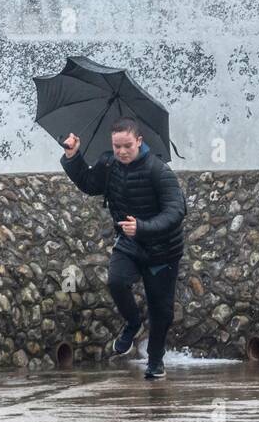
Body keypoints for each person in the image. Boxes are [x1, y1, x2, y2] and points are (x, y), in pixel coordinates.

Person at [61, 117, 187, 380]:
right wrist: (73, 155)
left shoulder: (159, 170)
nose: (121, 152)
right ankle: (132, 323)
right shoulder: (109, 164)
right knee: (116, 281)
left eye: (127, 146)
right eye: (116, 146)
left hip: (163, 249)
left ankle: (155, 361)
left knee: (161, 310)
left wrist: (142, 227)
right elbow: (88, 183)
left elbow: (176, 211)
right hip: (130, 243)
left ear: (139, 141)